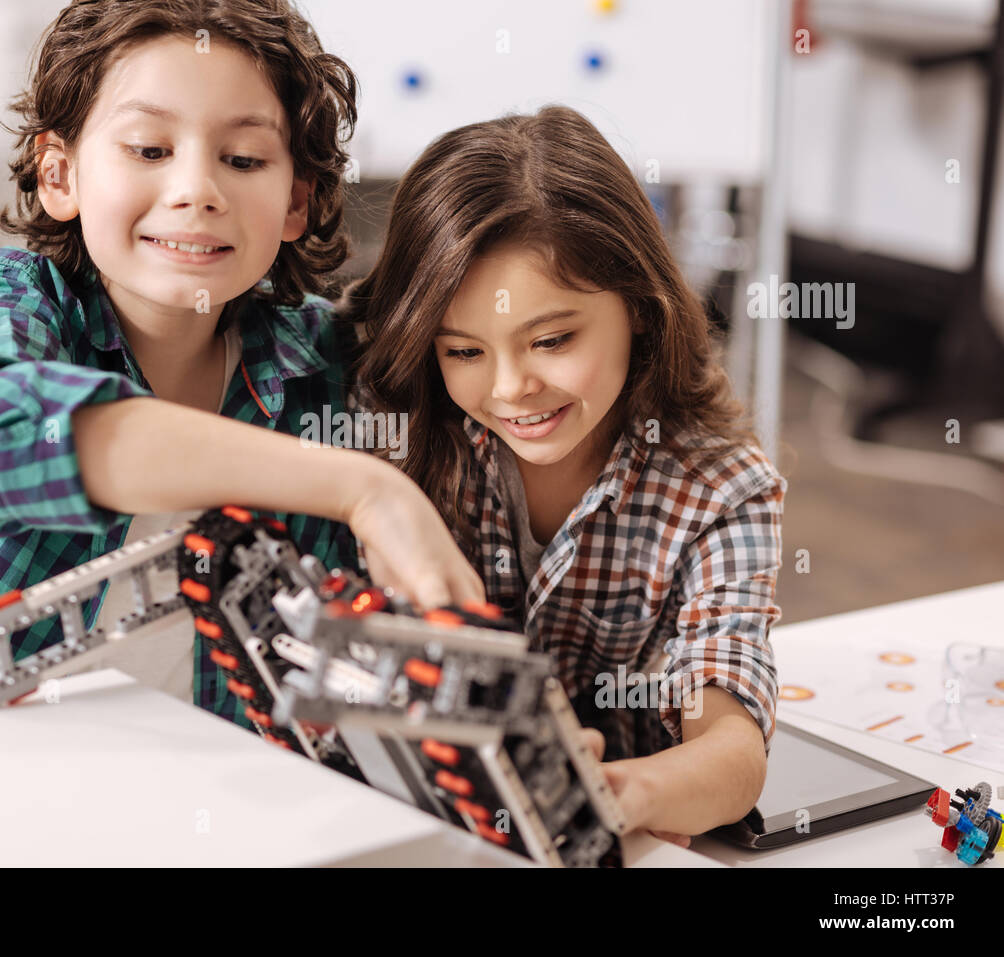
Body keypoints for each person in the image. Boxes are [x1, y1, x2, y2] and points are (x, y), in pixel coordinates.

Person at [0, 0, 482, 723]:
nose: (198, 191)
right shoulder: (8, 309)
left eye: (243, 160)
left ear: (296, 203)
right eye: (148, 149)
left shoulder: (329, 362)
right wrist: (363, 489)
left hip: (237, 810)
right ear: (59, 173)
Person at [335, 104, 787, 845]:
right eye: (463, 352)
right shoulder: (395, 440)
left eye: (551, 339)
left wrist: (616, 790)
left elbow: (733, 754)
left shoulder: (721, 489)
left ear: (640, 306)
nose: (511, 387)